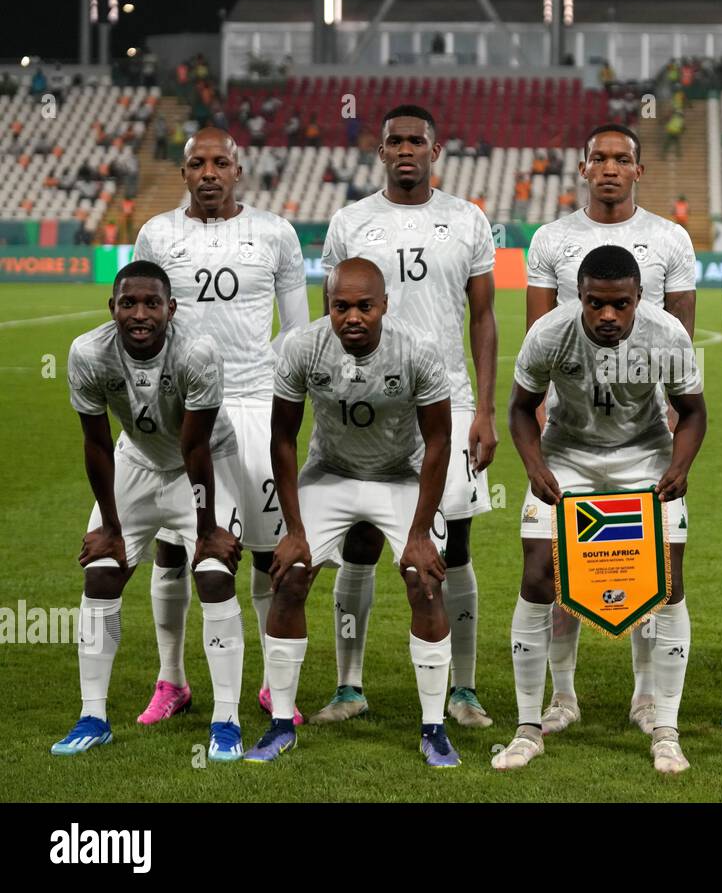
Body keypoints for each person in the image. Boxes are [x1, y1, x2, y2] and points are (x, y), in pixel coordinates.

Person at [319, 104, 498, 729]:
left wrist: (486, 408)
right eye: (393, 141)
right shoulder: (349, 222)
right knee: (360, 541)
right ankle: (349, 686)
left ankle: (465, 689)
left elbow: (483, 318)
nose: (404, 151)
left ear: (435, 149)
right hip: (364, 408)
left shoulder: (469, 220)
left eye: (415, 141)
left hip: (447, 401)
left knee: (456, 545)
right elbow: (330, 316)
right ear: (381, 151)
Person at [495, 245, 706, 773]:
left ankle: (665, 728)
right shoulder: (548, 332)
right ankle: (530, 724)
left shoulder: (666, 334)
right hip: (568, 457)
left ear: (638, 298)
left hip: (645, 461)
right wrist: (534, 465)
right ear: (579, 297)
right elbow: (520, 408)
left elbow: (693, 412)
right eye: (595, 304)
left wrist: (680, 465)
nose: (608, 316)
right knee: (540, 576)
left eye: (620, 305)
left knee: (667, 584)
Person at [246, 258, 459, 765]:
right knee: (290, 574)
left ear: (384, 304)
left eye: (365, 306)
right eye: (341, 306)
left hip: (400, 475)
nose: (353, 317)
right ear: (328, 306)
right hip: (332, 472)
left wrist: (421, 531)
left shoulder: (418, 350)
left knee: (424, 579)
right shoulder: (301, 347)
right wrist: (295, 530)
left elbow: (439, 441)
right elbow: (282, 437)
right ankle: (280, 724)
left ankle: (434, 728)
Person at [131, 127, 310, 726]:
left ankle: (266, 684)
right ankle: (172, 680)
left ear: (239, 170)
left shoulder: (275, 233)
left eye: (221, 163)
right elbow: (143, 321)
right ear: (183, 173)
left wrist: (276, 400)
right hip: (179, 410)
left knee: (263, 553)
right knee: (174, 545)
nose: (210, 173)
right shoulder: (157, 234)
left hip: (255, 405)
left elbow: (296, 331)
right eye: (198, 163)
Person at [524, 123, 696, 735]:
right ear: (582, 165)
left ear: (638, 170)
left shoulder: (669, 238)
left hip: (644, 438)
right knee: (557, 566)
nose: (610, 167)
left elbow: (680, 337)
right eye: (598, 156)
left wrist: (675, 438)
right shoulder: (552, 238)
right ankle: (561, 698)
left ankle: (648, 698)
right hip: (569, 436)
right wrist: (542, 428)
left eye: (622, 158)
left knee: (649, 569)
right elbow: (538, 338)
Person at [51, 262, 244, 759]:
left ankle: (227, 721)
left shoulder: (196, 352)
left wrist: (206, 531)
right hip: (134, 460)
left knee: (215, 573)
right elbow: (95, 443)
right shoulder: (88, 353)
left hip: (202, 463)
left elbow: (196, 445)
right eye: (128, 303)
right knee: (100, 571)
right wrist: (111, 527)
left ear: (170, 309)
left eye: (151, 303)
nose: (140, 314)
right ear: (111, 307)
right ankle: (92, 716)